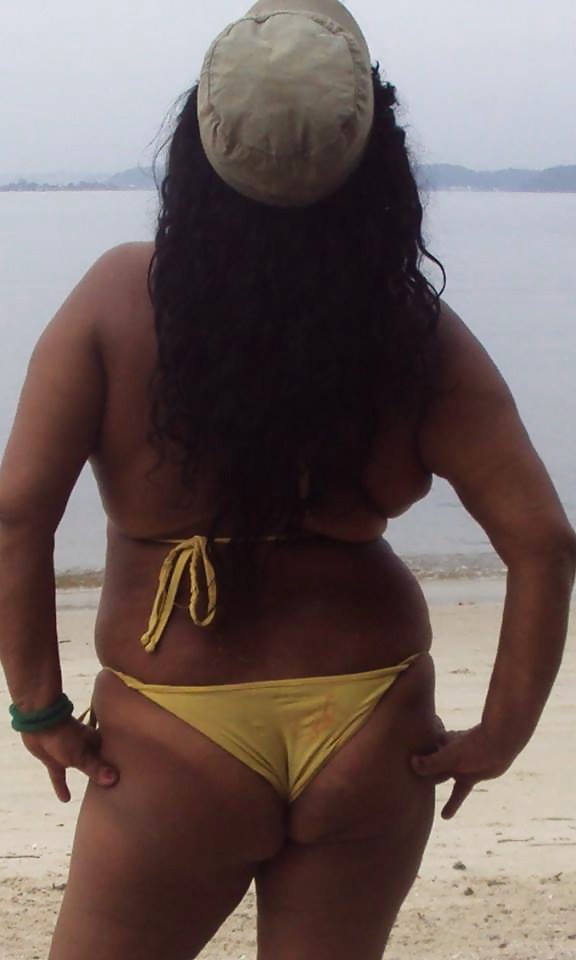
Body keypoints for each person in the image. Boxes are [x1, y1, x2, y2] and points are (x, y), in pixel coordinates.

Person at [0, 1, 574, 957]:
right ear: (377, 161)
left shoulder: (116, 300)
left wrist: (40, 708)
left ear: (197, 143)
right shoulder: (412, 331)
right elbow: (543, 541)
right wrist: (503, 732)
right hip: (371, 721)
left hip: (172, 728)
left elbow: (18, 517)